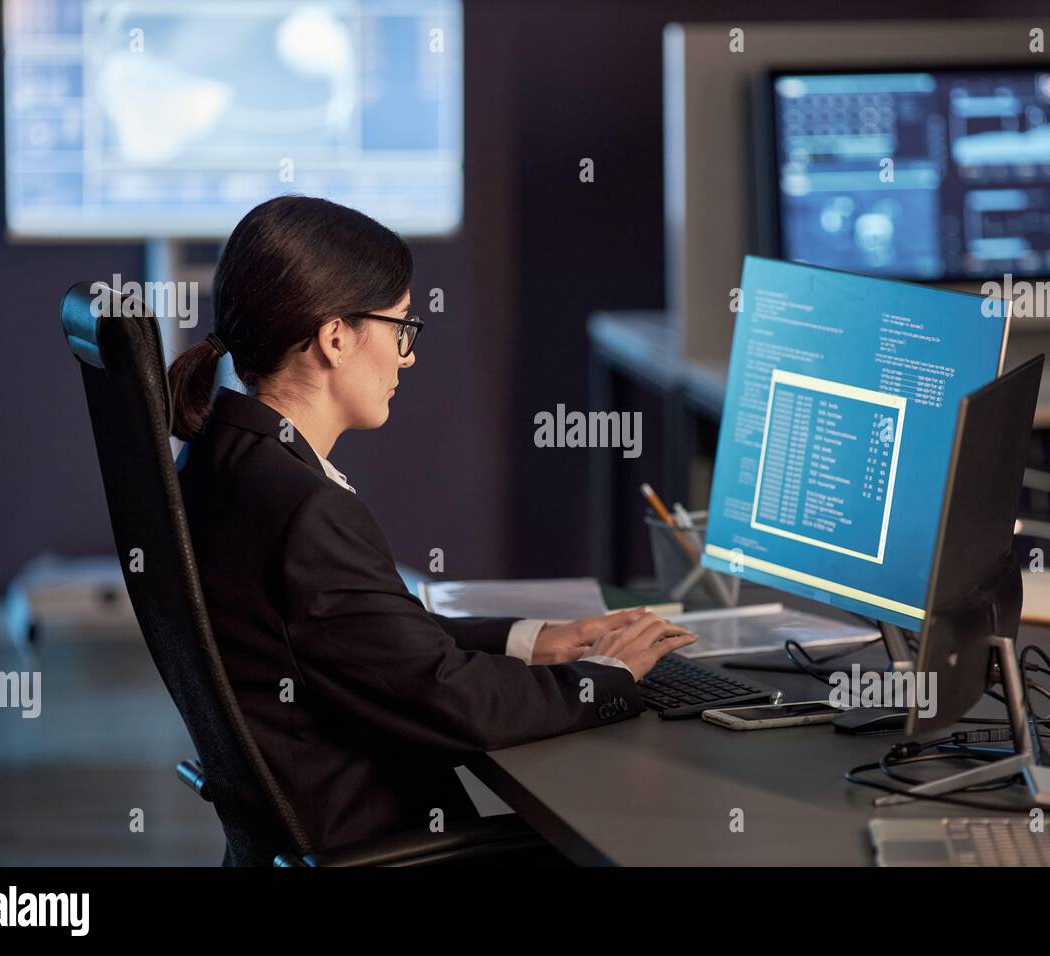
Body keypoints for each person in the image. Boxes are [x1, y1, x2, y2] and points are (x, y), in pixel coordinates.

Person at [170, 195, 696, 856]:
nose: (407, 357)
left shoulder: (221, 458)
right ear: (335, 337)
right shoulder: (304, 509)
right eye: (399, 329)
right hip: (382, 844)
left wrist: (538, 643)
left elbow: (371, 638)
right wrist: (603, 679)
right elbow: (452, 703)